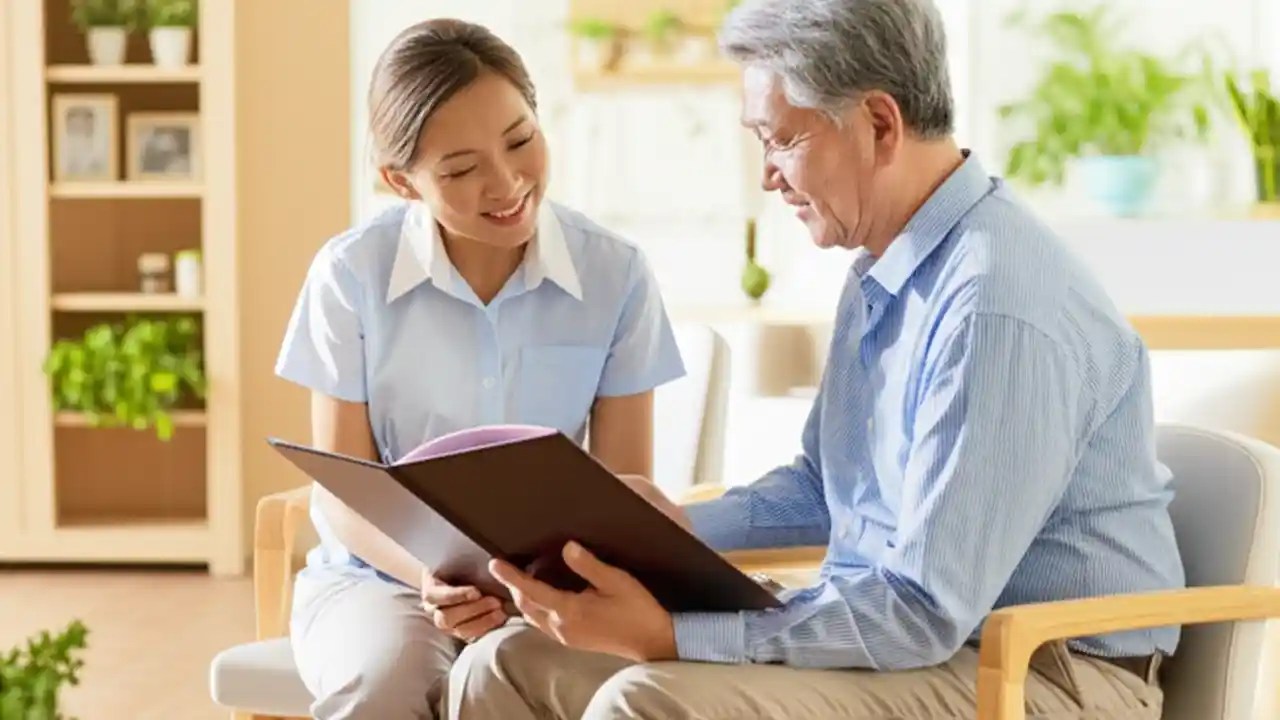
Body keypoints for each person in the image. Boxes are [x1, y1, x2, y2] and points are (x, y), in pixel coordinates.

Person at [443, 1, 1186, 718]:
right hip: (913, 641)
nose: (768, 175)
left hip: (1041, 674)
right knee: (504, 663)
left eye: (781, 140)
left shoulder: (995, 308)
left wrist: (672, 635)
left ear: (879, 123)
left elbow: (923, 610)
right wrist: (672, 528)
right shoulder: (884, 270)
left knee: (647, 700)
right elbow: (829, 489)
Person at [273, 18, 685, 720]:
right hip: (383, 581)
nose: (507, 182)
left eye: (520, 141)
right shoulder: (351, 275)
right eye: (461, 170)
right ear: (401, 182)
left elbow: (621, 489)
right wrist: (429, 577)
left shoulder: (615, 274)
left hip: (555, 587)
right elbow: (345, 490)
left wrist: (539, 591)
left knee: (550, 687)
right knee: (385, 684)